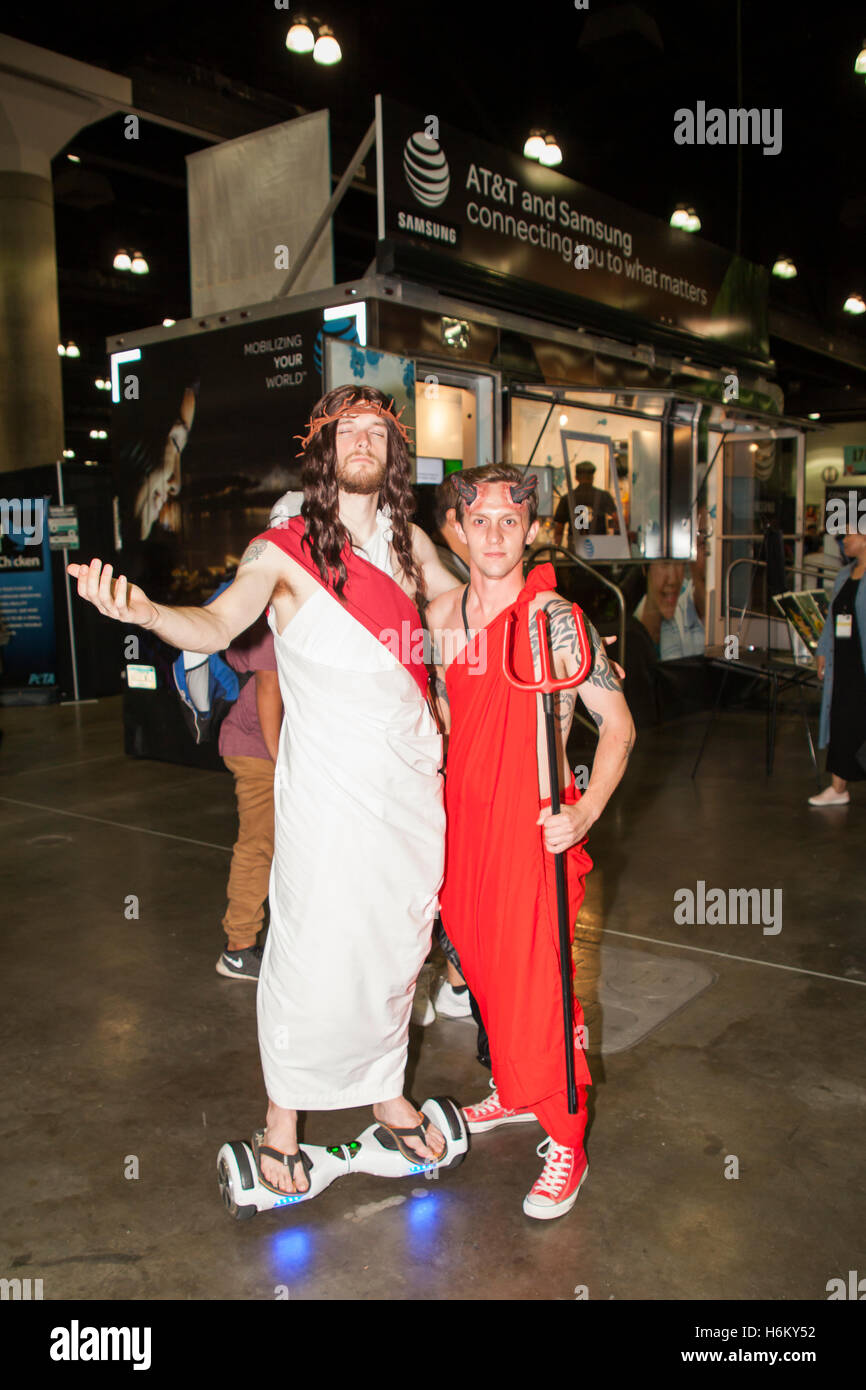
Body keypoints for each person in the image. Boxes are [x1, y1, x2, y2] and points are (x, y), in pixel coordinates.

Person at [68, 384, 463, 1196]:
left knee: (395, 946)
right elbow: (217, 627)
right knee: (314, 950)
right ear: (321, 450)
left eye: (376, 431)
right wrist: (145, 611)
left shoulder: (411, 542)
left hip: (412, 787)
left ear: (392, 453)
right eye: (345, 430)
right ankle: (282, 1120)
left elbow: (456, 609)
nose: (362, 441)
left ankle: (385, 1094)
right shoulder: (281, 551)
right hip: (327, 791)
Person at [426, 463, 635, 1219]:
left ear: (533, 529)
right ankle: (517, 1091)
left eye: (508, 521)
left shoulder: (555, 619)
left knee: (540, 987)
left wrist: (583, 816)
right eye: (476, 519)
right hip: (460, 829)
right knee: (481, 970)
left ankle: (568, 1139)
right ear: (456, 527)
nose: (491, 534)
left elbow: (618, 728)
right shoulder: (442, 616)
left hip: (532, 832)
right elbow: (447, 719)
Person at [215, 610, 283, 981]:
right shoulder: (274, 615)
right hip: (258, 749)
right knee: (257, 845)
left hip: (267, 745)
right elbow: (269, 688)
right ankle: (239, 948)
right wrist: (282, 763)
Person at [809, 528, 866, 806]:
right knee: (842, 723)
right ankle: (838, 787)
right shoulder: (845, 575)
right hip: (843, 663)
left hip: (861, 662)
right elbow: (832, 619)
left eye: (849, 536)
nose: (844, 542)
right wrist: (822, 651)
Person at [553, 461, 618, 545]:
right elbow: (617, 519)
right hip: (600, 547)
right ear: (593, 477)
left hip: (575, 547)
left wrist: (557, 548)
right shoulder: (604, 496)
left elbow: (559, 529)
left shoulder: (567, 498)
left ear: (576, 478)